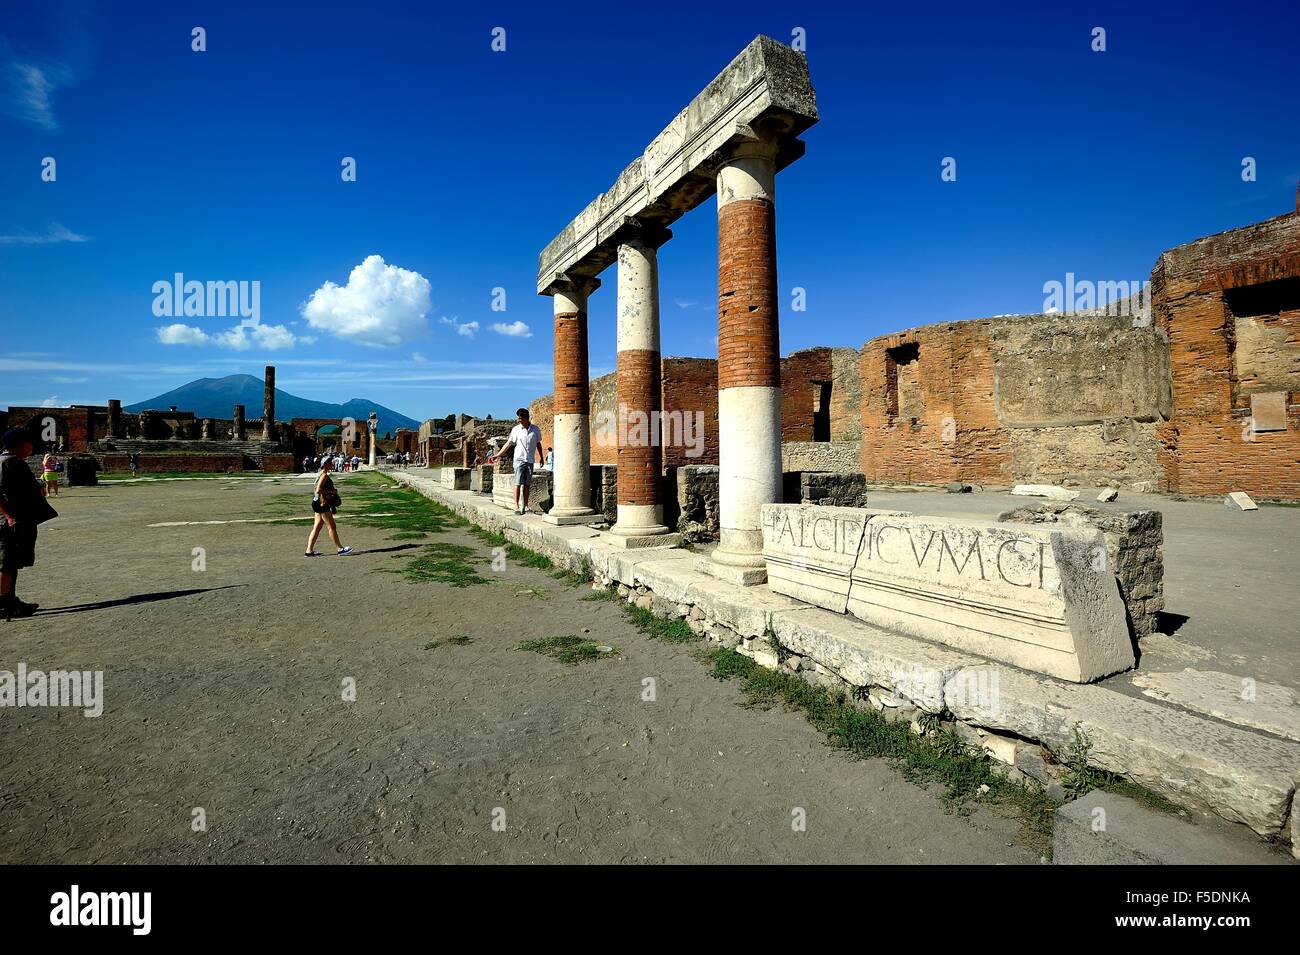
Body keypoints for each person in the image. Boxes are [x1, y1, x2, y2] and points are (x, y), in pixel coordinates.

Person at [0, 428, 53, 619]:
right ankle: (4, 602)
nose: (31, 447)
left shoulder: (12, 462)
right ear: (20, 444)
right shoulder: (9, 463)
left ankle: (10, 600)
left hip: (14, 519)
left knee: (12, 561)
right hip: (10, 521)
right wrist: (8, 516)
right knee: (6, 562)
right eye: (29, 443)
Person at [489, 408, 544, 515]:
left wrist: (541, 457)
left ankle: (525, 506)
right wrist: (498, 454)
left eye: (520, 419)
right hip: (519, 459)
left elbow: (538, 444)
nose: (519, 421)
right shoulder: (516, 429)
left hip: (530, 460)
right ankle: (516, 506)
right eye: (518, 419)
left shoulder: (535, 429)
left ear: (526, 418)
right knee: (518, 483)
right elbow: (508, 443)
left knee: (527, 484)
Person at [305, 456, 352, 557]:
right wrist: (332, 491)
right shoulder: (324, 475)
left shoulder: (320, 474)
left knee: (316, 527)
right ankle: (340, 549)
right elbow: (318, 490)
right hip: (322, 503)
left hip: (316, 502)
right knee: (332, 527)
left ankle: (309, 551)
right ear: (325, 464)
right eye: (330, 463)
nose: (332, 464)